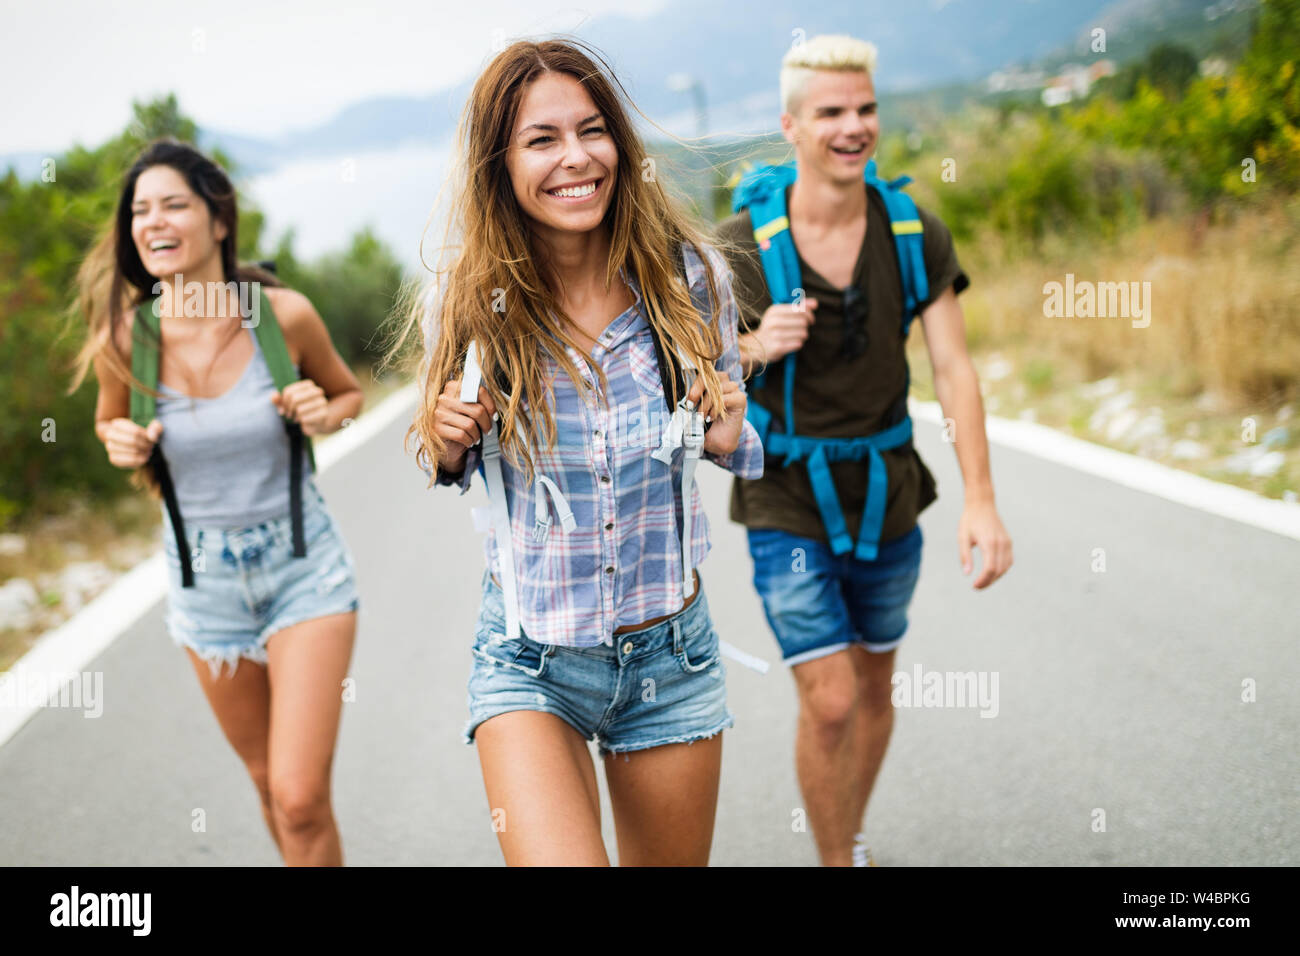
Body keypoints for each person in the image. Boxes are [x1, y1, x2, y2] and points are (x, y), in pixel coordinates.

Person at [396, 38, 763, 866]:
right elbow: (443, 453)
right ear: (500, 164)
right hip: (531, 664)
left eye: (591, 130)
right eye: (541, 140)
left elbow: (733, 433)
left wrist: (729, 429)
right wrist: (448, 442)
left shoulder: (692, 279)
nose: (576, 159)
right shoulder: (466, 305)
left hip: (670, 656)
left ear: (620, 145)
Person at [714, 34, 1013, 866]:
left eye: (866, 108)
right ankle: (836, 861)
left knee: (877, 686)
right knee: (835, 698)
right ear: (791, 126)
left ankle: (847, 834)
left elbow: (953, 369)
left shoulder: (914, 231)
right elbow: (684, 371)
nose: (855, 127)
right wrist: (753, 346)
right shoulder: (739, 246)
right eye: (832, 112)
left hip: (890, 488)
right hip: (784, 491)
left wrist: (981, 500)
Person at [70, 139, 365, 866]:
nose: (154, 221)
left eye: (173, 204)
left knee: (299, 793)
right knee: (269, 786)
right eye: (140, 210)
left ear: (218, 220)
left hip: (303, 570)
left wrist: (326, 413)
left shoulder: (281, 316)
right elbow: (111, 423)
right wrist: (122, 443)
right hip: (204, 585)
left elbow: (348, 392)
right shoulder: (127, 338)